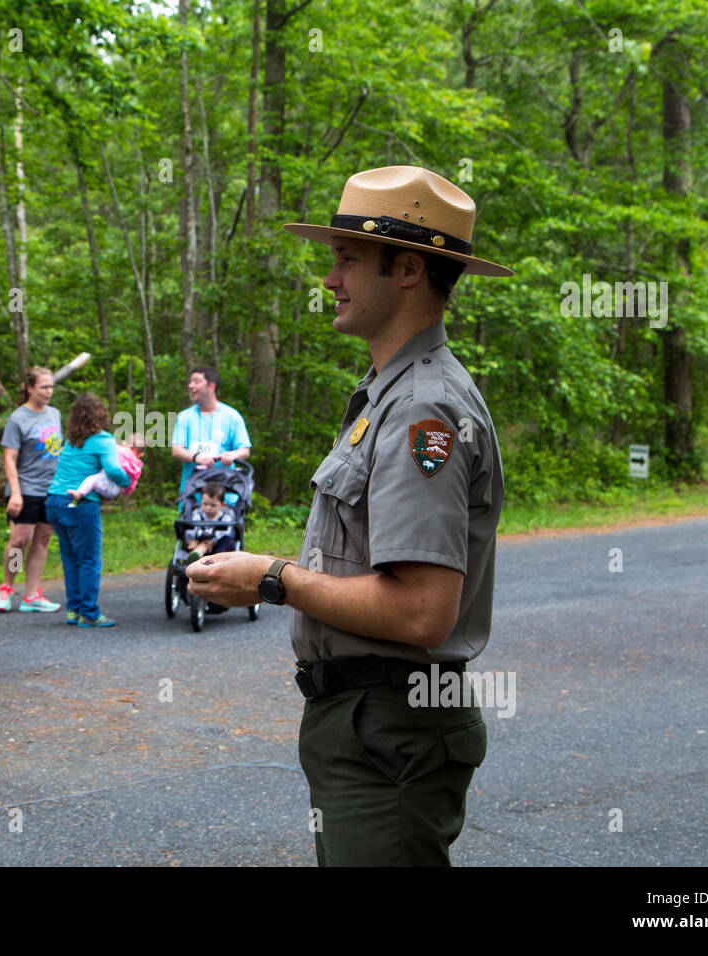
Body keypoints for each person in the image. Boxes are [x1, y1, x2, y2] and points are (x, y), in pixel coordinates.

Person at [187, 165, 510, 866]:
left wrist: (271, 579)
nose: (330, 280)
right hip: (368, 723)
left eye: (347, 259)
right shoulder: (387, 393)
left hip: (389, 726)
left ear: (408, 269)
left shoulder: (424, 408)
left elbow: (423, 611)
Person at [44, 393, 128, 627]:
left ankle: (74, 610)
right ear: (100, 414)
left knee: (70, 559)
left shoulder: (71, 441)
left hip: (54, 501)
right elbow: (112, 469)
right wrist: (125, 482)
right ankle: (89, 613)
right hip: (80, 504)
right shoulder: (103, 439)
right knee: (89, 559)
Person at [0, 366, 63, 613]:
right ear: (30, 388)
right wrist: (15, 492)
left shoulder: (54, 414)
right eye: (44, 387)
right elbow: (10, 458)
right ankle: (6, 587)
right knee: (20, 540)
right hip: (25, 487)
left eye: (51, 386)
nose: (49, 391)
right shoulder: (18, 418)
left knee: (42, 539)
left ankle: (32, 595)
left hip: (51, 487)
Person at [169, 367, 251, 493]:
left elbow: (245, 450)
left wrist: (233, 455)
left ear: (211, 387)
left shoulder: (232, 416)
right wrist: (196, 457)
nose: (191, 386)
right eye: (190, 382)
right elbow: (176, 450)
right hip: (192, 494)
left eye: (196, 381)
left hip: (225, 494)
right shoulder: (184, 417)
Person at [65, 432, 144, 505]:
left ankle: (79, 493)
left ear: (130, 446)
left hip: (103, 482)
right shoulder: (137, 467)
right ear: (141, 454)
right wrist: (127, 492)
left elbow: (108, 449)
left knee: (91, 479)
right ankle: (103, 500)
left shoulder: (120, 450)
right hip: (114, 491)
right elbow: (133, 483)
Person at [183, 481, 236, 560]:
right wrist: (192, 540)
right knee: (190, 533)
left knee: (227, 540)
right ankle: (195, 556)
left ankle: (215, 560)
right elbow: (192, 530)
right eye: (205, 504)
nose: (208, 508)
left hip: (218, 547)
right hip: (199, 545)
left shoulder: (225, 518)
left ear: (222, 505)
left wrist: (212, 542)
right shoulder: (198, 515)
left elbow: (225, 533)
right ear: (201, 502)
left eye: (213, 505)